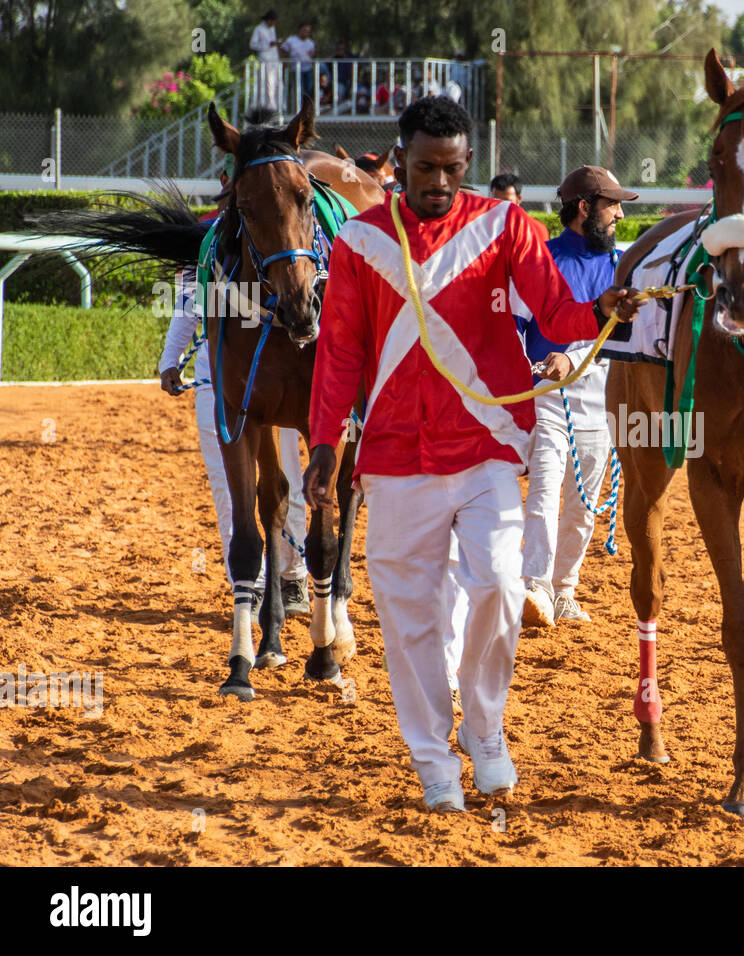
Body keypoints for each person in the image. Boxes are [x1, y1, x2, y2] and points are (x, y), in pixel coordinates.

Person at [303, 95, 638, 813]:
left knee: (496, 585)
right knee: (410, 617)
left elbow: (554, 312)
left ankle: (485, 728)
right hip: (394, 458)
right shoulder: (362, 242)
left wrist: (602, 309)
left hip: (487, 445)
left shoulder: (503, 226)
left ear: (467, 164)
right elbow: (338, 353)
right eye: (425, 168)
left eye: (452, 169)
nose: (439, 183)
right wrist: (325, 443)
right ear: (402, 162)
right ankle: (431, 761)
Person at [158, 155, 309, 615]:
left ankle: (294, 575)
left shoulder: (283, 236)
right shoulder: (209, 244)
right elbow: (187, 303)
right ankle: (253, 584)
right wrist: (170, 360)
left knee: (291, 481)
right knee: (230, 488)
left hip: (281, 379)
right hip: (218, 380)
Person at [520, 165, 636, 627]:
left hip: (601, 398)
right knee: (545, 494)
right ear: (584, 209)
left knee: (584, 504)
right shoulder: (539, 263)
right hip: (546, 395)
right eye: (613, 206)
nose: (621, 216)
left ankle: (564, 590)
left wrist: (575, 355)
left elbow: (625, 334)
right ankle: (535, 586)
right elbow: (514, 324)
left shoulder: (621, 266)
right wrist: (526, 369)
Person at [490, 172, 550, 246]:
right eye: (496, 201)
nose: (501, 205)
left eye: (506, 201)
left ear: (519, 198)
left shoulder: (536, 229)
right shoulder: (485, 228)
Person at [249, 10, 282, 115]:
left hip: (274, 59)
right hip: (265, 59)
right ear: (268, 20)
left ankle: (278, 106)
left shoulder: (273, 29)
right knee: (268, 83)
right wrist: (267, 44)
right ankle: (269, 107)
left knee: (277, 82)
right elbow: (252, 44)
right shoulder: (259, 29)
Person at [280, 22, 316, 112]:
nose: (306, 33)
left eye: (308, 31)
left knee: (310, 89)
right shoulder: (291, 40)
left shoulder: (310, 43)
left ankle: (309, 109)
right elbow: (282, 49)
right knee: (300, 90)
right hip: (297, 70)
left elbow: (311, 56)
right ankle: (300, 109)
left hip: (308, 69)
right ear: (300, 30)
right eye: (304, 30)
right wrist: (283, 62)